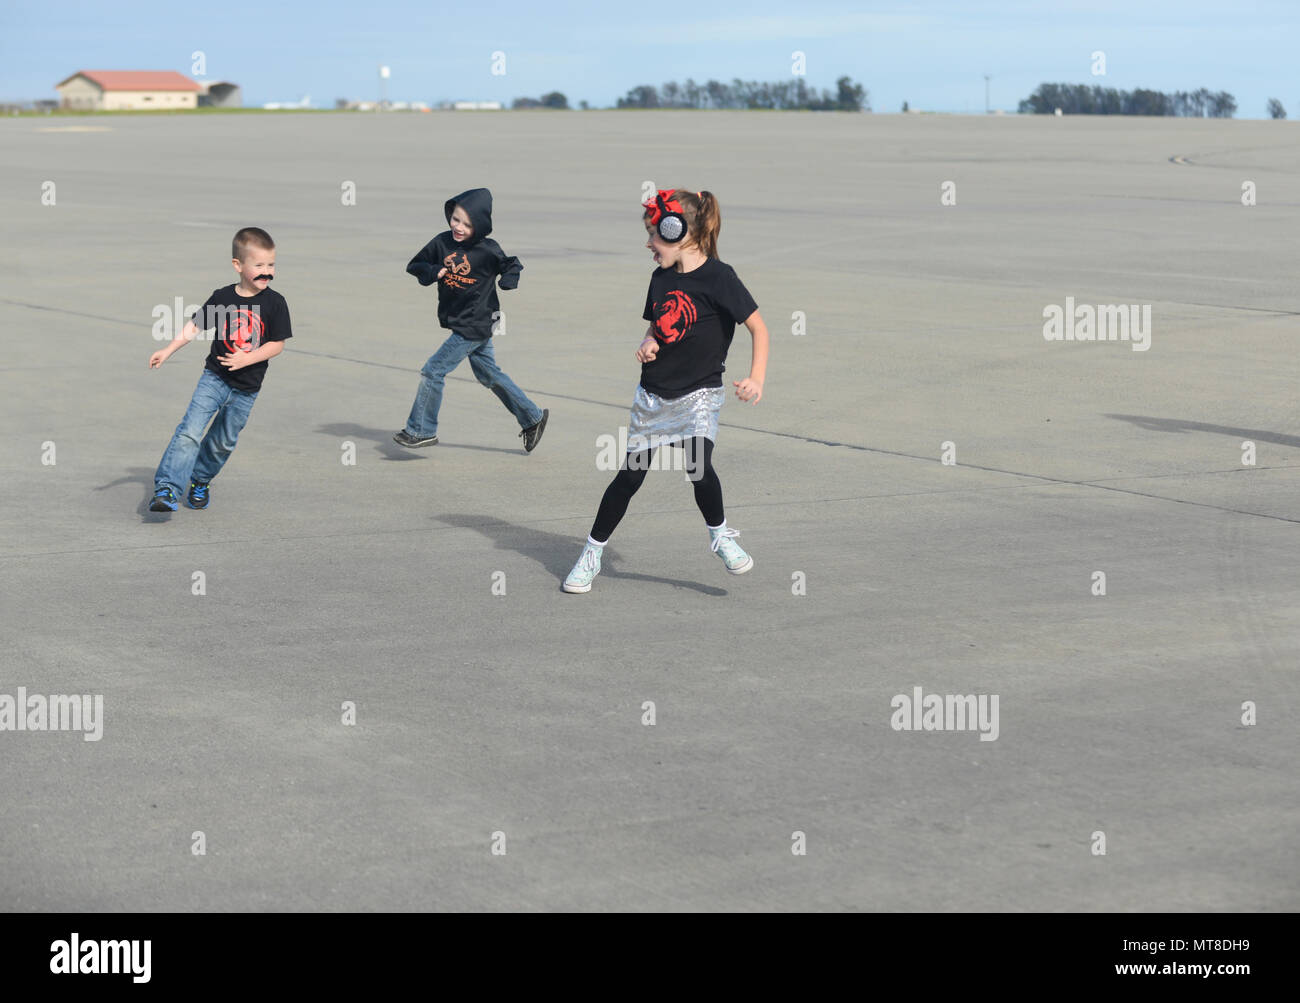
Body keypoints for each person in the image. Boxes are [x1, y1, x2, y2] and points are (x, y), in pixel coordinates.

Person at [563, 189, 769, 593]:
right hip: (654, 395)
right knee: (629, 477)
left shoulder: (720, 278)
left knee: (697, 467)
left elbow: (758, 327)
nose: (648, 245)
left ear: (677, 232)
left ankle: (720, 536)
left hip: (699, 395)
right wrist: (650, 340)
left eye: (654, 236)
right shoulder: (659, 279)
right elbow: (657, 323)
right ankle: (591, 554)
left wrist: (755, 377)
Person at [148, 227, 292, 512]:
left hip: (246, 389)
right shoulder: (223, 297)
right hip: (214, 379)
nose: (267, 272)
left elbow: (277, 344)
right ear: (238, 265)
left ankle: (200, 479)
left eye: (271, 265)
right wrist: (168, 349)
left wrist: (246, 359)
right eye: (259, 265)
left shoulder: (275, 303)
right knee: (190, 431)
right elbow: (195, 326)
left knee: (222, 442)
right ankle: (167, 488)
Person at [396, 188, 548, 452]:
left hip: (475, 322)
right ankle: (532, 417)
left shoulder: (487, 249)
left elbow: (511, 264)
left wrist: (508, 280)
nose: (459, 227)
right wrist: (434, 270)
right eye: (456, 219)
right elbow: (415, 264)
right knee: (489, 374)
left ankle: (421, 430)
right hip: (460, 319)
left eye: (467, 224)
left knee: (433, 370)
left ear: (479, 225)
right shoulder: (442, 243)